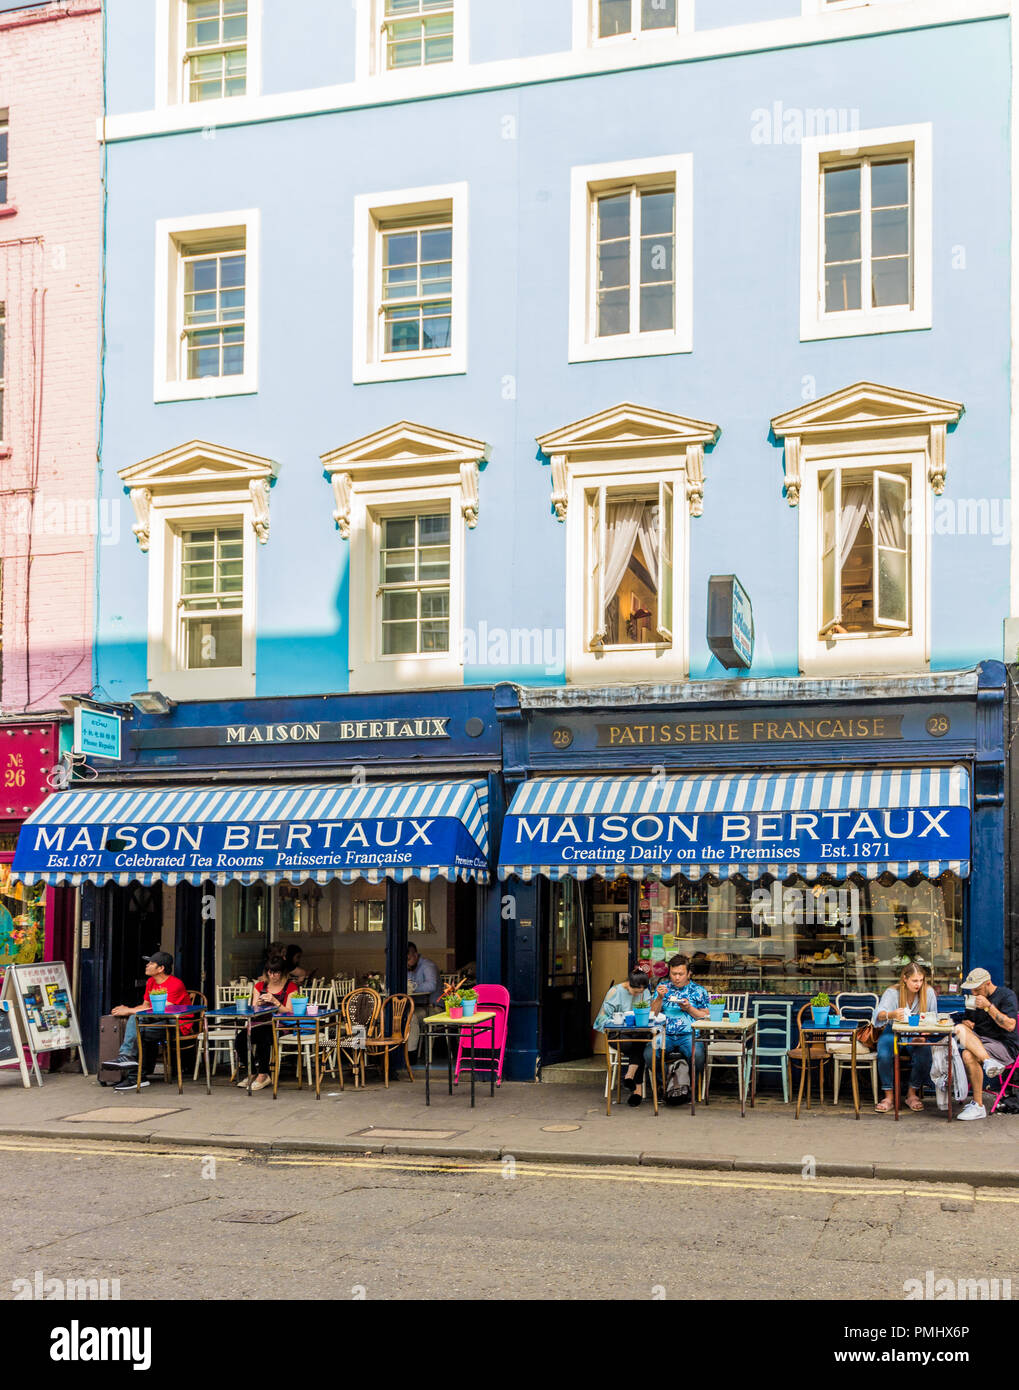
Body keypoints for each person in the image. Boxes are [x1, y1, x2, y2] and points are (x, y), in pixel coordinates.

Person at [106, 951, 192, 1092]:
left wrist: (128, 1010)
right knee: (138, 1030)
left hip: (176, 1024)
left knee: (135, 1023)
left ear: (161, 968)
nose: (147, 965)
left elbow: (160, 1010)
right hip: (158, 1022)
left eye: (151, 963)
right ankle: (136, 1074)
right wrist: (131, 1009)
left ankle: (134, 1072)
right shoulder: (151, 982)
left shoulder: (175, 984)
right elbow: (145, 1007)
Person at [952, 967, 1018, 1121]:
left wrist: (988, 1007)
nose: (974, 994)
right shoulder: (973, 1000)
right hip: (981, 1042)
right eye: (971, 991)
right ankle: (988, 1063)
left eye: (977, 990)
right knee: (960, 1029)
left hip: (1004, 1046)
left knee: (968, 1054)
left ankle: (978, 1105)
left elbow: (1010, 1025)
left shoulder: (1006, 996)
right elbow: (969, 1024)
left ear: (988, 983)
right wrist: (967, 1023)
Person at [872, 963, 937, 1113]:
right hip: (893, 1030)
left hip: (918, 1031)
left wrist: (924, 1035)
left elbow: (933, 1018)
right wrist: (892, 1014)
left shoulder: (928, 992)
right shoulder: (892, 992)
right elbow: (878, 1015)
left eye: (921, 980)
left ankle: (912, 1094)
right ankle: (889, 1097)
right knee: (884, 1054)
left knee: (924, 1053)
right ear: (905, 979)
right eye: (914, 981)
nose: (918, 984)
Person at [235, 955, 297, 1092]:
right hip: (258, 1023)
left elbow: (289, 1012)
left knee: (265, 1038)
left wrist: (275, 1001)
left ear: (283, 972)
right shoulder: (260, 986)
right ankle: (252, 1072)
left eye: (276, 972)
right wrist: (258, 1004)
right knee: (240, 1040)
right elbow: (253, 1009)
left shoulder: (290, 987)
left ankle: (263, 1075)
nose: (273, 975)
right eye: (270, 972)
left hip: (279, 1025)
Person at [593, 969, 654, 1107]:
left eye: (642, 991)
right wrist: (618, 1022)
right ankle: (636, 1089)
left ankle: (629, 1077)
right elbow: (602, 1018)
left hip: (637, 1032)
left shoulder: (644, 992)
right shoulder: (615, 992)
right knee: (636, 1045)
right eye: (637, 991)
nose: (640, 994)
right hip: (617, 1033)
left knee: (640, 1041)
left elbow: (648, 1013)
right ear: (629, 984)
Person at [647, 953, 710, 1086]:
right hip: (664, 1034)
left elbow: (705, 1017)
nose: (676, 978)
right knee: (649, 1053)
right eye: (673, 973)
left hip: (690, 1035)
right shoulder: (663, 988)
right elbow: (652, 1014)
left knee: (698, 1056)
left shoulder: (699, 990)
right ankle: (667, 1083)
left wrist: (688, 1008)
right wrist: (659, 998)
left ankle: (689, 1087)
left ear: (689, 973)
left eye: (680, 974)